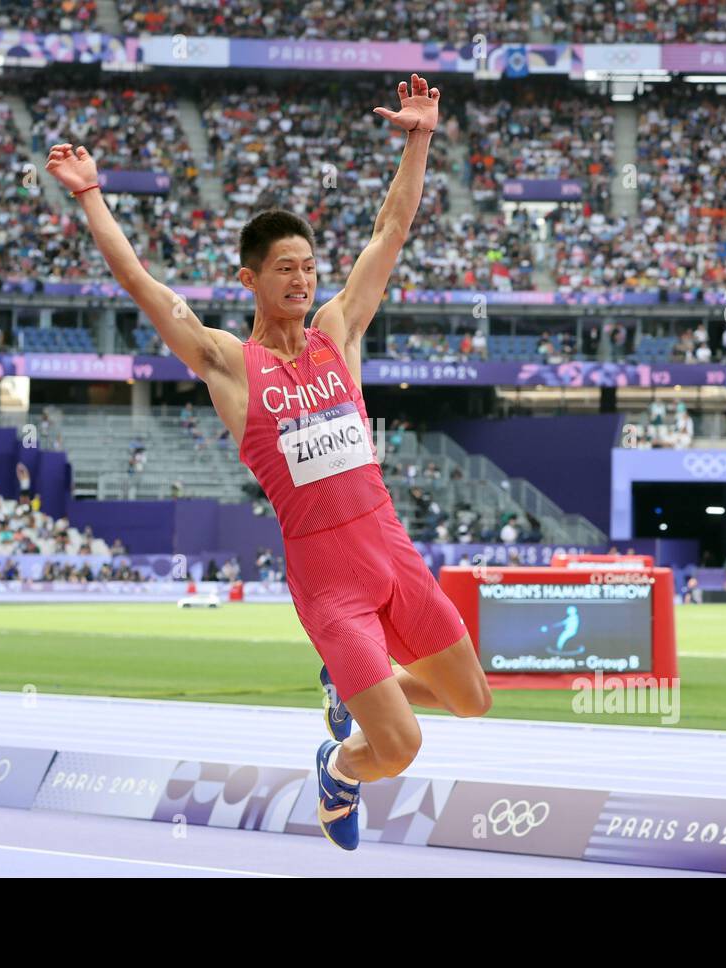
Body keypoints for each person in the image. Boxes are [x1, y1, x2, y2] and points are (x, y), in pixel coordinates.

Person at [47, 73, 488, 852]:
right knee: (401, 746)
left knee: (474, 700)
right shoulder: (228, 363)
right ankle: (341, 768)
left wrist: (419, 139)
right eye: (285, 267)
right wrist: (90, 196)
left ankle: (350, 695)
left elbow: (390, 230)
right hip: (329, 579)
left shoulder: (337, 330)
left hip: (390, 549)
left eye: (309, 264)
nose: (303, 277)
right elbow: (142, 285)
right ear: (250, 279)